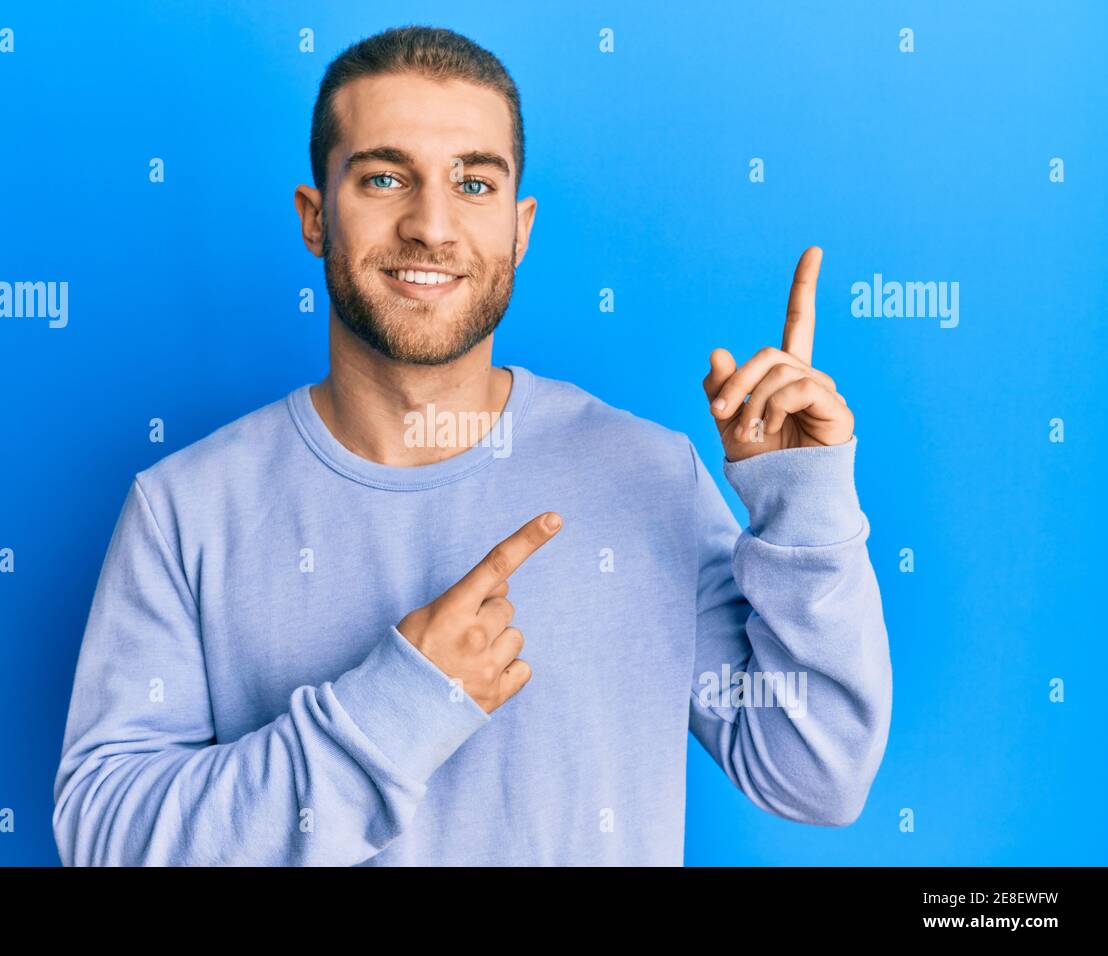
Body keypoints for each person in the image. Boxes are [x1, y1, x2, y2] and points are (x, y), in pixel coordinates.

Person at [52, 25, 892, 866]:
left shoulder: (649, 476)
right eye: (384, 178)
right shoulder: (183, 509)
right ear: (315, 218)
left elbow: (814, 776)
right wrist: (397, 710)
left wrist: (802, 503)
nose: (432, 225)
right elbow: (106, 839)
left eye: (474, 183)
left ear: (520, 227)